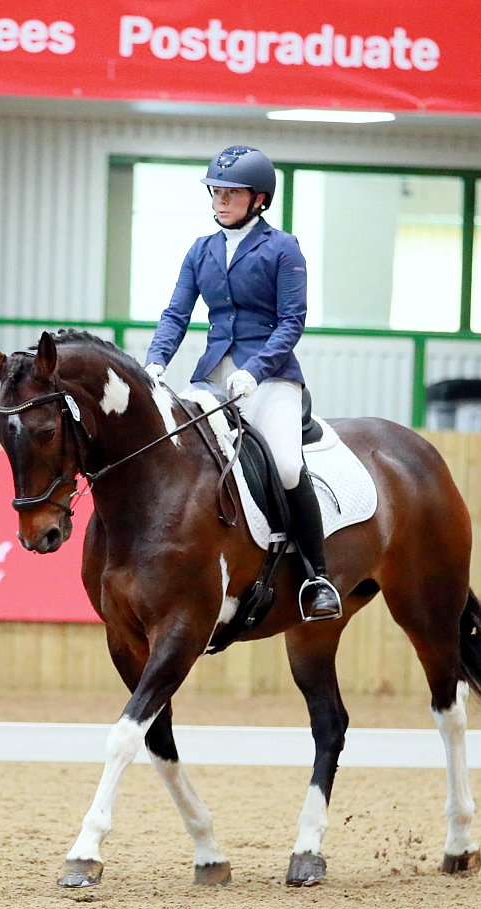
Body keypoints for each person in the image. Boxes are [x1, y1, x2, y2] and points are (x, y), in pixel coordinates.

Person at [143, 144, 341, 621]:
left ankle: (317, 578)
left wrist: (255, 370)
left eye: (231, 193)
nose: (220, 200)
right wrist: (155, 363)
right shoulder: (202, 250)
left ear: (259, 199)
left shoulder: (282, 248)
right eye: (216, 191)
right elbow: (176, 313)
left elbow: (292, 321)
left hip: (270, 377)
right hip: (211, 376)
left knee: (289, 467)